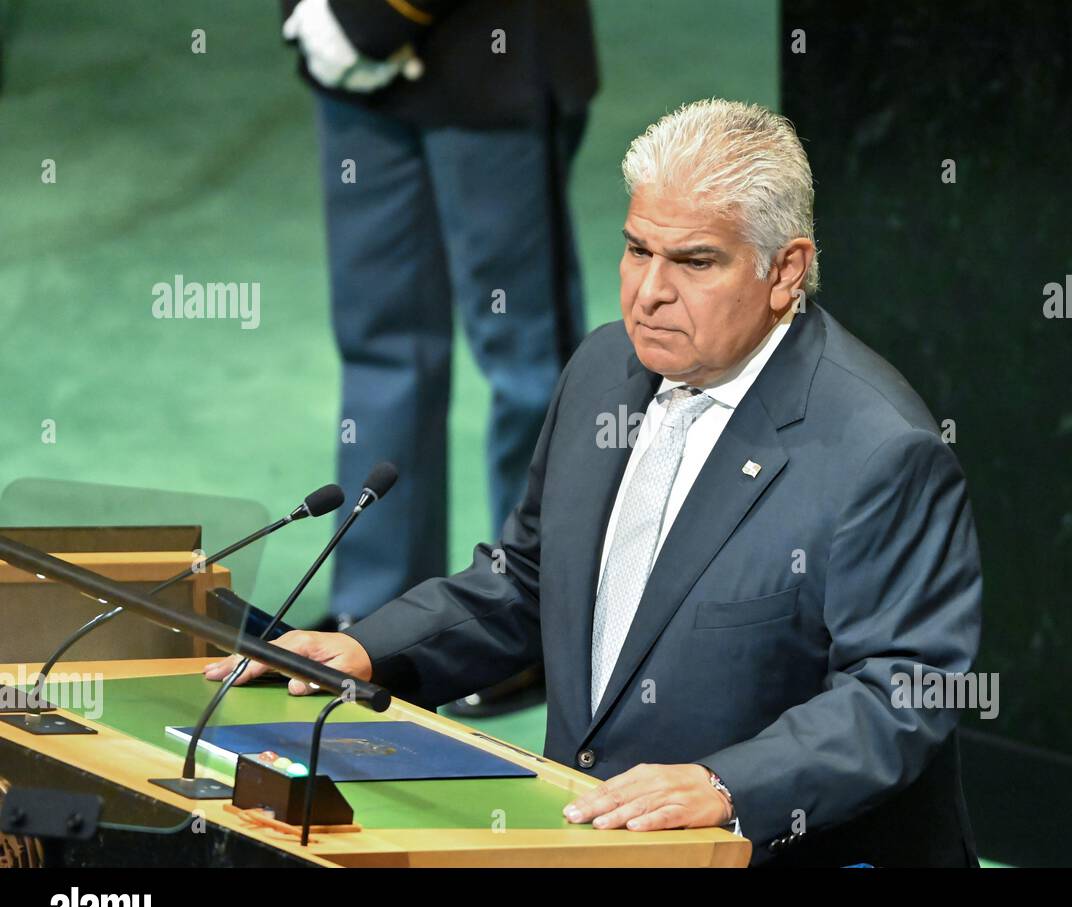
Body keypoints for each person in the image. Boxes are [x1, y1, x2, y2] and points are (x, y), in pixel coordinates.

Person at [208, 99, 983, 867]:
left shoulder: (878, 451)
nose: (650, 291)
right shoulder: (605, 370)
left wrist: (728, 783)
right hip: (578, 838)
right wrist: (364, 649)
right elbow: (529, 580)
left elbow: (899, 695)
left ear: (785, 270)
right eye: (638, 249)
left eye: (694, 261)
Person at [279, 0, 597, 714]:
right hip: (357, 73)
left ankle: (529, 624)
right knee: (380, 346)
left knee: (526, 363)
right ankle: (377, 612)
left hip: (490, 54)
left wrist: (366, 18)